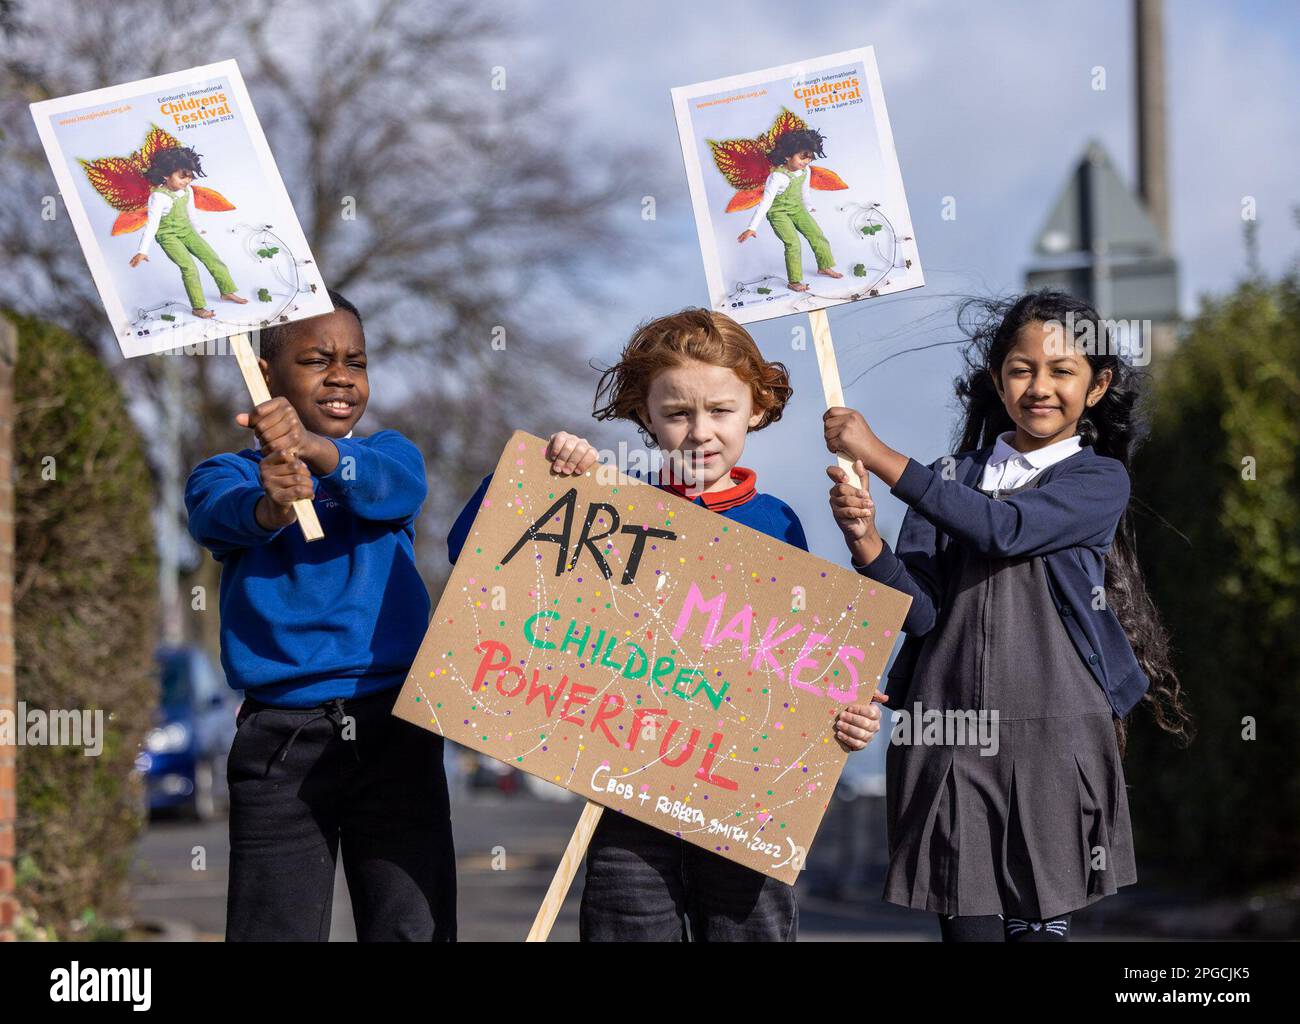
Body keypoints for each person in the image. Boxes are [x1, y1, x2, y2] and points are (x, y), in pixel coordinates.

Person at [447, 307, 884, 941]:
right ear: (644, 416)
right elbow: (471, 547)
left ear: (756, 409)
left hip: (744, 802)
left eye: (721, 410)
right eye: (678, 413)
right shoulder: (609, 507)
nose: (700, 432)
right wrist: (542, 474)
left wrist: (847, 712)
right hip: (626, 796)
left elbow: (800, 661)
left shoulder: (779, 523)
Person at [824, 289, 1192, 942]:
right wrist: (867, 542)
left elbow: (1005, 529)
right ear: (997, 380)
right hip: (948, 739)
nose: (1040, 387)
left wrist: (879, 455)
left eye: (1062, 370)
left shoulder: (1098, 480)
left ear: (1098, 384)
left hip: (1056, 742)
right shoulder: (946, 477)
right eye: (1022, 370)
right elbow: (920, 614)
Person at [185, 290, 456, 941]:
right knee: (272, 927)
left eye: (355, 361)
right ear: (265, 374)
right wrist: (270, 507)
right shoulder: (225, 472)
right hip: (279, 740)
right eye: (316, 360)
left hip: (395, 725)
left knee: (412, 925)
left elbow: (399, 490)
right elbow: (218, 517)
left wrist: (314, 448)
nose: (341, 376)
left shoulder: (389, 453)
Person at [129, 145, 246, 319]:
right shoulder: (158, 197)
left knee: (212, 258)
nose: (186, 181)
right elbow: (152, 225)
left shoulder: (187, 190)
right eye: (182, 177)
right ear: (166, 175)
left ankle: (226, 291)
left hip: (187, 231)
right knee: (189, 268)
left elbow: (190, 212)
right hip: (168, 236)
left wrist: (197, 229)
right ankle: (198, 307)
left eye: (190, 176)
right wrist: (142, 250)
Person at [737, 126, 842, 292]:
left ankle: (824, 266)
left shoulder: (805, 170)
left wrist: (808, 206)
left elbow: (804, 191)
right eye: (802, 157)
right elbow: (765, 202)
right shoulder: (777, 177)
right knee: (793, 243)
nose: (806, 161)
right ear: (787, 155)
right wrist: (752, 227)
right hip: (778, 213)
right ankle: (794, 281)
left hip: (797, 208)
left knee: (817, 234)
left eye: (810, 158)